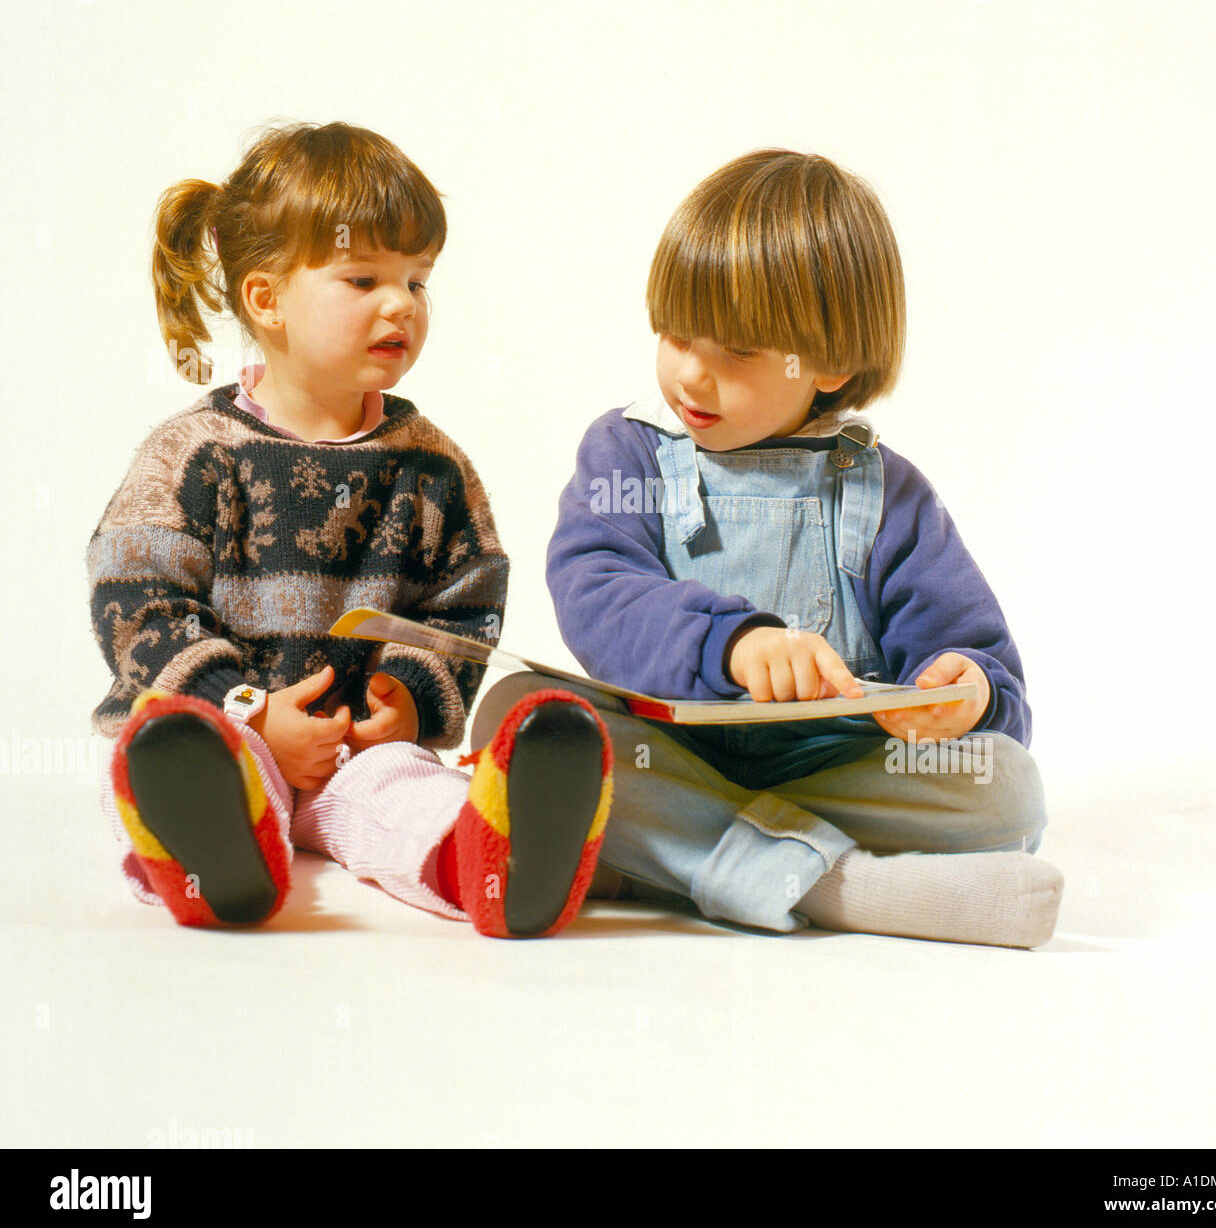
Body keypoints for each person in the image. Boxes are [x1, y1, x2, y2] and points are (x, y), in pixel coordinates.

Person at [473, 149, 1063, 948]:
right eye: (676, 334)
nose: (691, 376)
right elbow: (596, 589)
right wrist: (735, 642)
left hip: (829, 772)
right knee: (513, 722)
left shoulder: (888, 493)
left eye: (736, 353)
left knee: (1006, 789)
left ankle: (664, 858)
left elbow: (980, 667)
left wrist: (964, 694)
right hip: (672, 757)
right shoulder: (629, 452)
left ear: (830, 364)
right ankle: (845, 890)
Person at [88, 120, 611, 939]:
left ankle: (484, 858)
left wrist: (405, 697)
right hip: (229, 727)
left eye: (418, 280)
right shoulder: (193, 455)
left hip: (354, 755)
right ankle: (215, 859)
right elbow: (137, 600)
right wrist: (248, 708)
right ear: (265, 299)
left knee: (407, 794)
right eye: (362, 278)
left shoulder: (431, 467)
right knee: (195, 761)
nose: (401, 303)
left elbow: (461, 604)